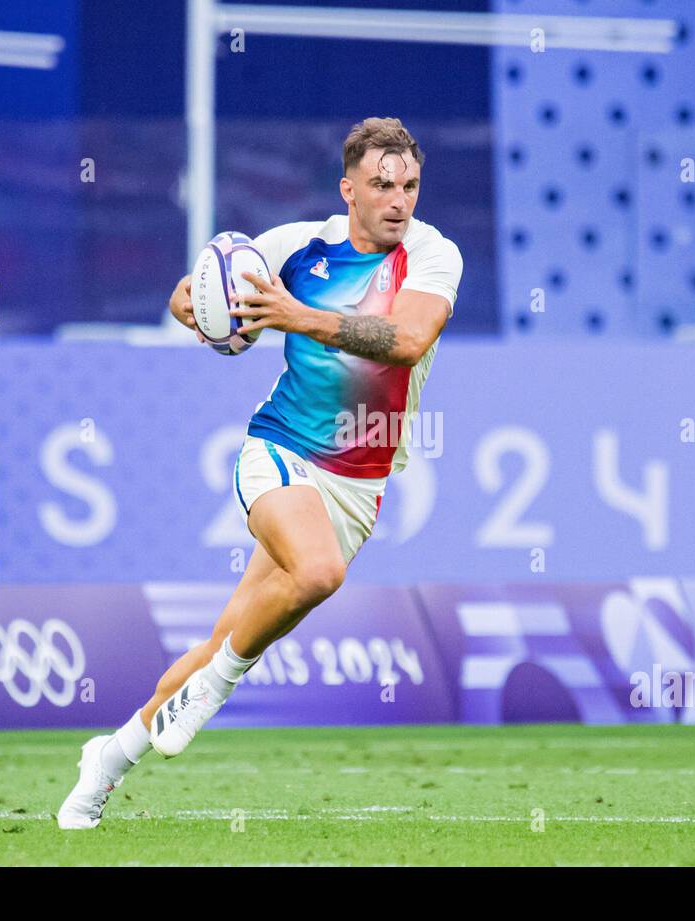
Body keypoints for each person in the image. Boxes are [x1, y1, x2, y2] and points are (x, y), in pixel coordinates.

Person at [58, 117, 463, 828]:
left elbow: (407, 340)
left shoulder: (433, 255)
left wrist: (293, 315)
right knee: (317, 574)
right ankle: (215, 691)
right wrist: (213, 312)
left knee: (223, 636)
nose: (399, 201)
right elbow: (186, 297)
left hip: (361, 479)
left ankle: (105, 763)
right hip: (280, 450)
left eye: (410, 186)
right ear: (349, 190)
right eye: (381, 186)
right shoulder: (293, 247)